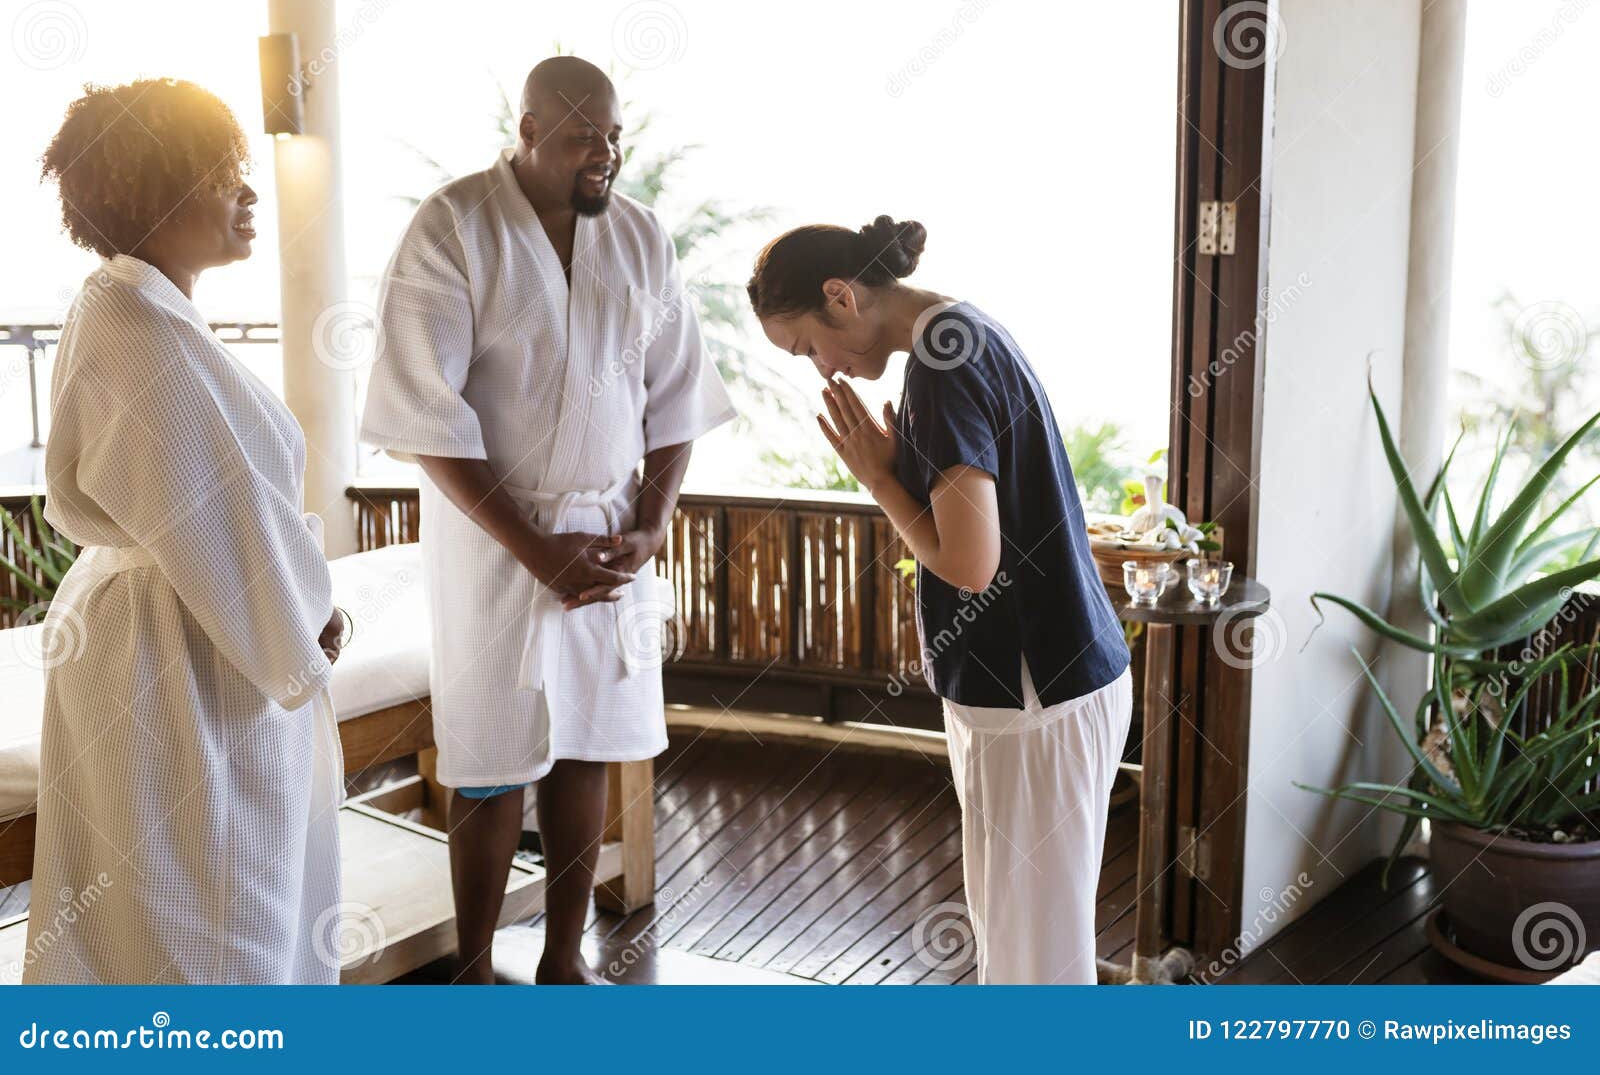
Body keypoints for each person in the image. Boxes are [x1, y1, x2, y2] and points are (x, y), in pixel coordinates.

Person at [361, 56, 735, 984]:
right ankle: (476, 967)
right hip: (492, 543)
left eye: (612, 135)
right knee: (488, 759)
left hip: (609, 539)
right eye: (580, 138)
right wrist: (535, 551)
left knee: (590, 749)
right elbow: (424, 417)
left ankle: (564, 960)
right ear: (525, 131)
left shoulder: (643, 239)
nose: (603, 154)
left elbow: (676, 397)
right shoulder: (453, 229)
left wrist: (650, 526)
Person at [747, 217, 1132, 984]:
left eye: (806, 347)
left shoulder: (940, 365)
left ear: (840, 297)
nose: (822, 369)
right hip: (1059, 681)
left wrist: (880, 480)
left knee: (1034, 972)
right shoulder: (963, 331)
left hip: (1034, 698)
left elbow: (970, 562)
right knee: (1035, 952)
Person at [24, 79, 346, 984]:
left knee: (187, 911)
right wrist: (309, 623)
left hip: (183, 633)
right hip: (174, 650)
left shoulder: (140, 310)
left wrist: (296, 609)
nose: (246, 193)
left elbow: (222, 500)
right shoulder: (139, 327)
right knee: (208, 922)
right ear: (149, 193)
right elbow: (221, 508)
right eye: (220, 173)